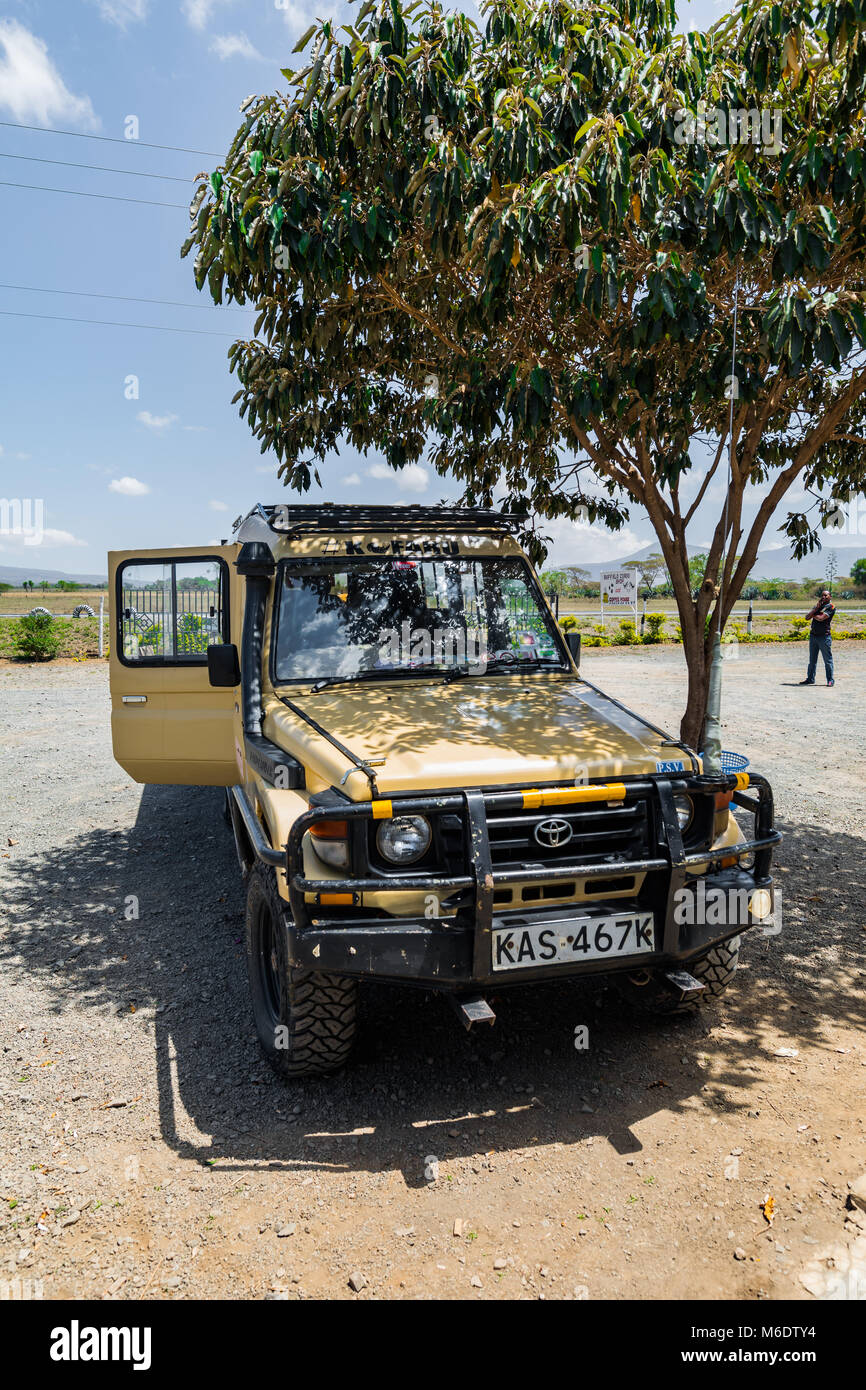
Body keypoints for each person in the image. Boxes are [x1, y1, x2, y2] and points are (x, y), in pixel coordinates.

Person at [800, 589, 836, 686]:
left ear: (830, 597)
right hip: (814, 636)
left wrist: (814, 613)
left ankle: (830, 680)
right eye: (822, 595)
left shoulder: (831, 607)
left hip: (824, 637)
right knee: (812, 660)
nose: (823, 597)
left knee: (827, 661)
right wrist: (816, 610)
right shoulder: (818, 606)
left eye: (826, 595)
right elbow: (807, 617)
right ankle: (810, 679)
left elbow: (821, 618)